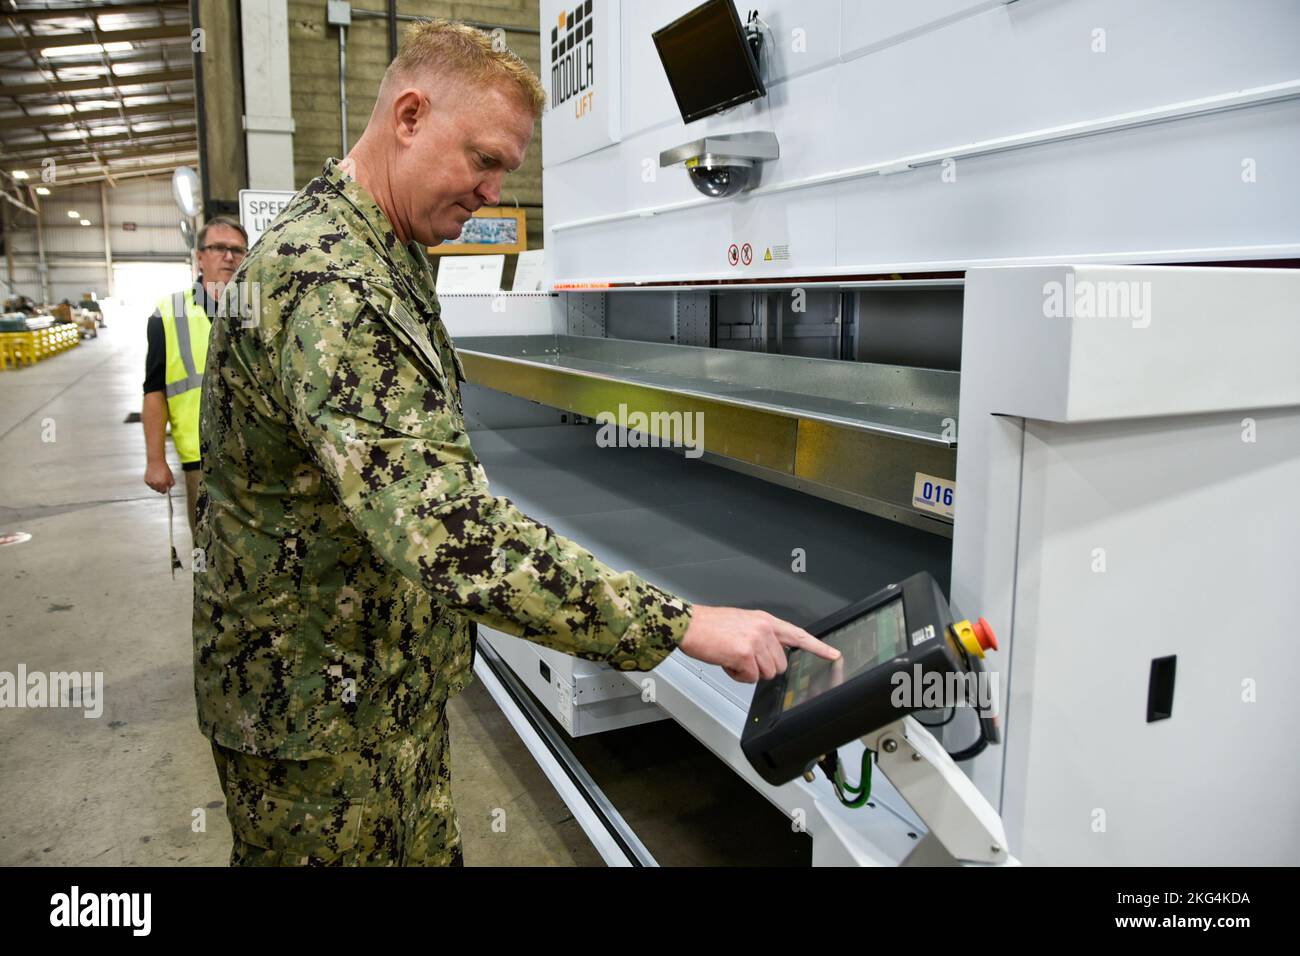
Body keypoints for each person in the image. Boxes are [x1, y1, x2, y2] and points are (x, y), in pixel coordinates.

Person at [193, 20, 839, 867]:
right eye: (485, 160)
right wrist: (682, 625)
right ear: (410, 116)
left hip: (375, 691)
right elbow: (449, 536)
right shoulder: (333, 283)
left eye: (507, 169)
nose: (496, 193)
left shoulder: (383, 248)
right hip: (313, 715)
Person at [142, 215, 248, 537]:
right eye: (218, 248)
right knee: (208, 552)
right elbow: (154, 391)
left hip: (257, 459)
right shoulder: (169, 313)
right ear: (200, 256)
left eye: (238, 250)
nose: (229, 256)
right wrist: (155, 460)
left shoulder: (259, 309)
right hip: (200, 463)